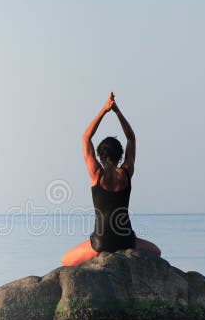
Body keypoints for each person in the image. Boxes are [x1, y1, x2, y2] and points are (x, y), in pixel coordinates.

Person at [61, 92, 161, 266]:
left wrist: (104, 110)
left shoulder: (96, 174)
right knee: (157, 252)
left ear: (100, 156)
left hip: (101, 243)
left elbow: (86, 137)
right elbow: (131, 137)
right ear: (120, 155)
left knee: (66, 260)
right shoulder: (127, 172)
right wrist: (117, 111)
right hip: (126, 241)